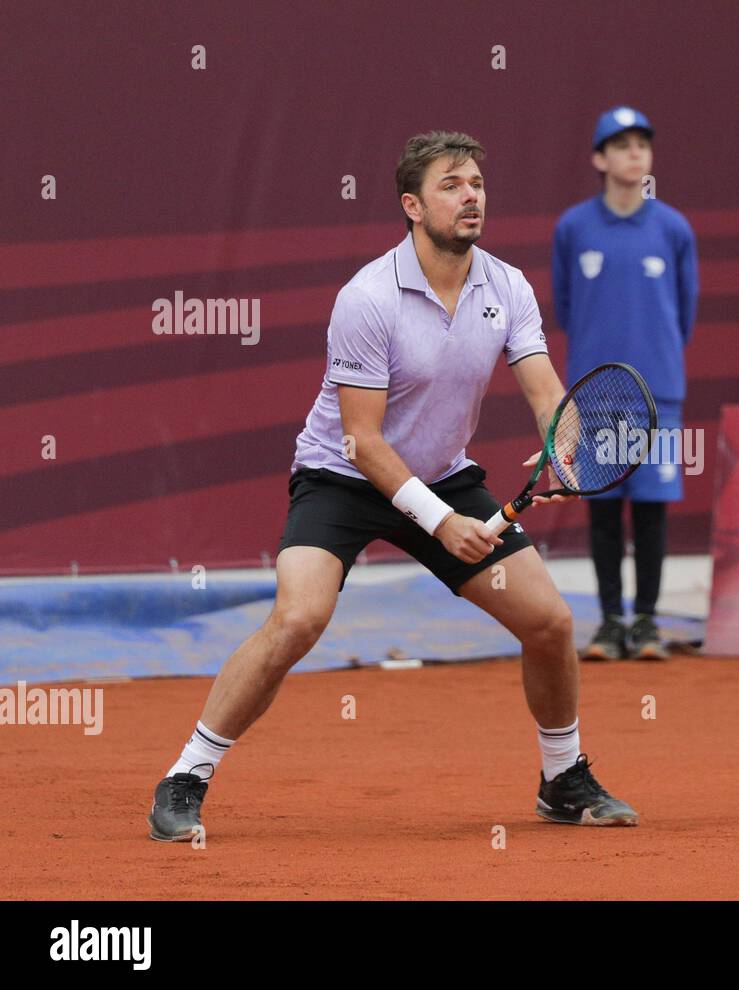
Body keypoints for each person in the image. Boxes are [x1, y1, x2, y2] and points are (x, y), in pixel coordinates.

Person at [147, 131, 639, 842]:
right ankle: (187, 774)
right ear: (412, 205)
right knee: (298, 619)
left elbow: (546, 395)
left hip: (442, 472)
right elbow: (363, 441)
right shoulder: (367, 298)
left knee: (550, 622)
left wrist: (561, 450)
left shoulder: (505, 285)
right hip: (342, 478)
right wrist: (440, 523)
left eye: (476, 183)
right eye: (451, 185)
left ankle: (562, 778)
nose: (471, 196)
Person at [551, 106, 699, 661]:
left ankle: (648, 624)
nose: (635, 153)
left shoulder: (673, 228)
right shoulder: (573, 228)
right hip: (595, 397)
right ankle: (611, 623)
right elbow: (568, 309)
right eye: (622, 144)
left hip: (657, 395)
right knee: (605, 508)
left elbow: (684, 313)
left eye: (642, 144)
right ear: (599, 158)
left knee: (654, 509)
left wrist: (654, 365)